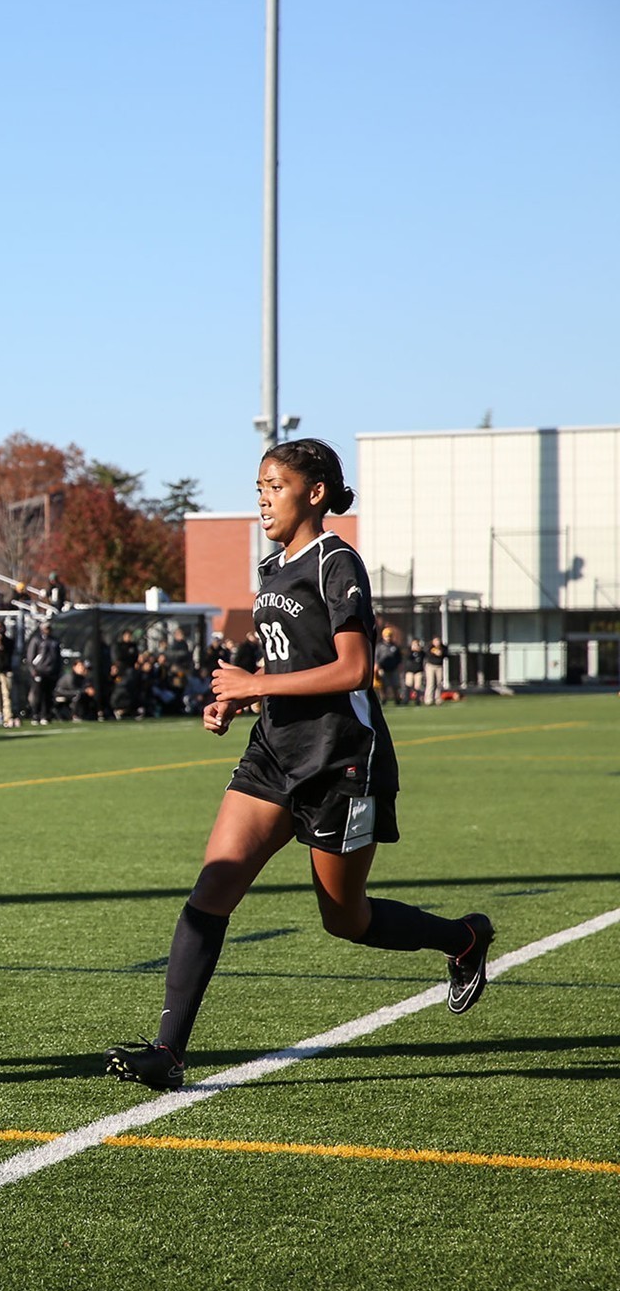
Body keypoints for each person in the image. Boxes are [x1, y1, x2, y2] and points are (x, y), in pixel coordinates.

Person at [105, 439, 494, 1093]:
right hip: (272, 754)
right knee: (211, 891)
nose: (262, 500)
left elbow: (355, 669)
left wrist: (256, 684)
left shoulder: (337, 561)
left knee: (346, 919)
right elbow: (285, 663)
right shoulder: (271, 568)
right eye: (258, 488)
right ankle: (168, 1052)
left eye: (274, 486)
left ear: (314, 493)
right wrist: (238, 699)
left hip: (342, 763)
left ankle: (464, 938)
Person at [25, 622, 63, 724]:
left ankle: (45, 715)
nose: (48, 630)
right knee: (38, 694)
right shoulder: (37, 640)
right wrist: (33, 670)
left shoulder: (55, 641)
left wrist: (58, 670)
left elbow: (58, 657)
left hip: (51, 672)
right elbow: (30, 656)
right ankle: (35, 714)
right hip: (39, 671)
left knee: (48, 694)